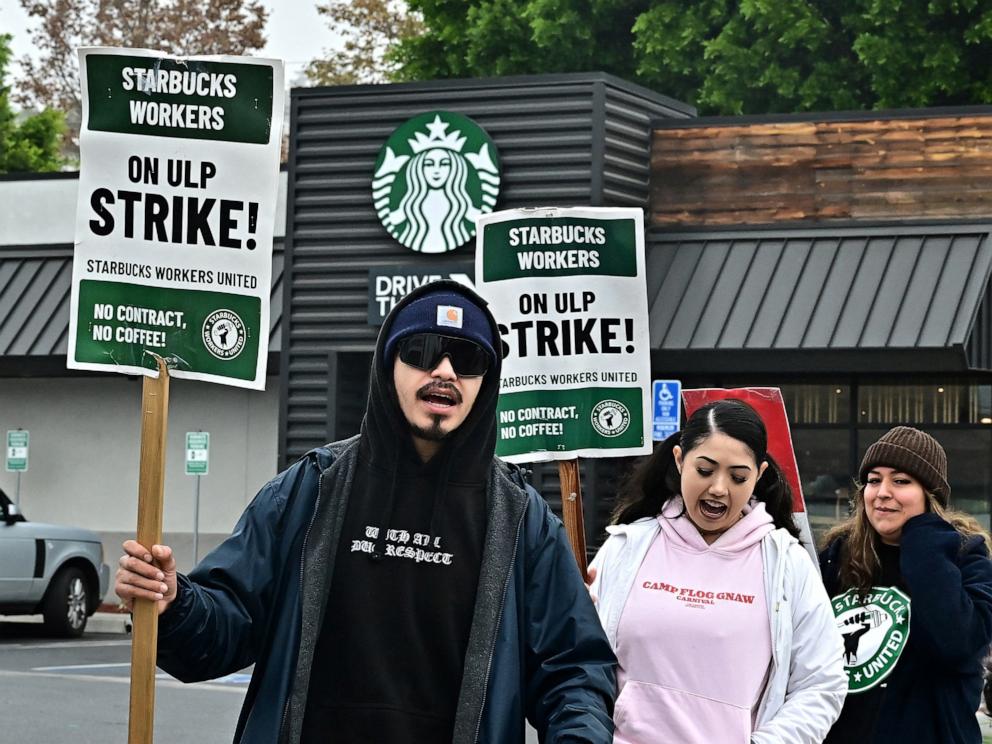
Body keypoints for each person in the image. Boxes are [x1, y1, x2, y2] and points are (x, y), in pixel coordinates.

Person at [114, 280, 616, 743]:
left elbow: (573, 671)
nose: (444, 371)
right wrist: (173, 604)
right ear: (387, 364)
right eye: (422, 352)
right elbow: (227, 624)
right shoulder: (310, 491)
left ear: (486, 381)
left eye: (467, 360)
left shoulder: (522, 521)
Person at [589, 398, 846, 743]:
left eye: (738, 476)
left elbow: (821, 683)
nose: (719, 488)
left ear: (759, 475)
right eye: (705, 471)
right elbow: (580, 664)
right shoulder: (625, 547)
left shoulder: (786, 564)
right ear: (680, 460)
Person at [820, 426, 992, 743]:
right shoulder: (835, 557)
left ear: (930, 495)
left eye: (900, 481)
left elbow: (955, 644)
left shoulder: (967, 556)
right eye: (874, 480)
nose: (883, 491)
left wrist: (925, 537)